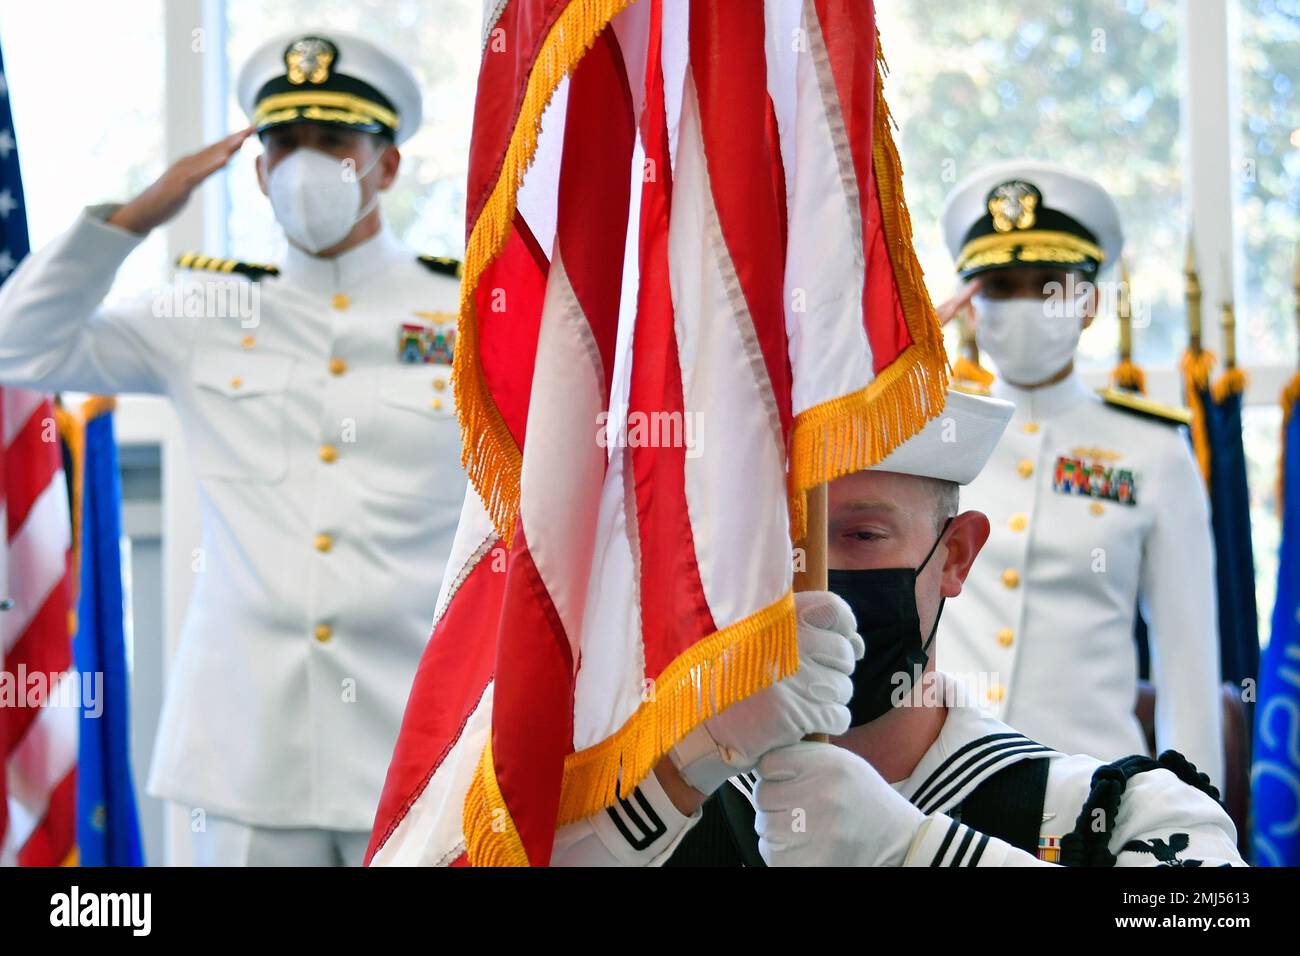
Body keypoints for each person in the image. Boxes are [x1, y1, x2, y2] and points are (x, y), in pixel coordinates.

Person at [0, 30, 466, 865]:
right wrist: (130, 221)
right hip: (248, 754)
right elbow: (17, 346)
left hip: (418, 737)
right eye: (283, 143)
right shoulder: (208, 310)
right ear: (257, 170)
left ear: (387, 167)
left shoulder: (466, 312)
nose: (304, 164)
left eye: (334, 142)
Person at [550, 389, 1244, 867]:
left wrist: (915, 853)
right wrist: (688, 764)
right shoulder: (664, 807)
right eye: (773, 537)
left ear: (956, 556)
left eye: (861, 535)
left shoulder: (1110, 815)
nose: (809, 575)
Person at [933, 161, 1223, 786]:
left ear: (1089, 303)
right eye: (1000, 286)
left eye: (1047, 285)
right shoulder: (932, 433)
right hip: (944, 795)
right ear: (970, 306)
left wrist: (1199, 830)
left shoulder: (1155, 453)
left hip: (1099, 799)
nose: (1023, 304)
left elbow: (1188, 669)